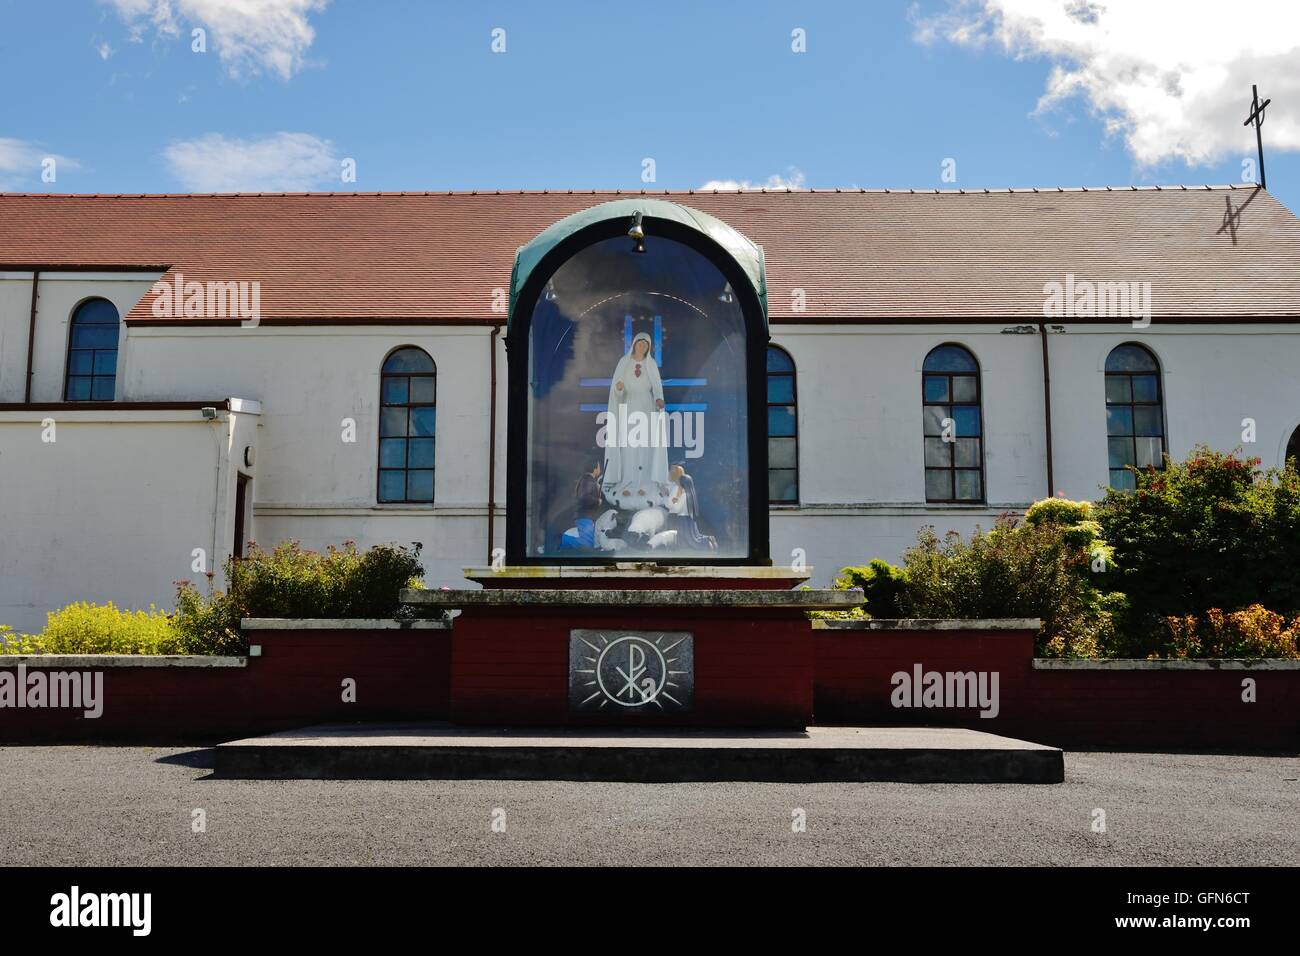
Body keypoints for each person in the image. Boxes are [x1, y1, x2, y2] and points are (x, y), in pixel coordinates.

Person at [602, 331, 669, 506]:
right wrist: (618, 388)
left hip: (646, 406)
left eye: (645, 345)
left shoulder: (651, 364)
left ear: (648, 348)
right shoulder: (624, 362)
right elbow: (617, 391)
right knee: (629, 445)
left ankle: (644, 483)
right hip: (629, 406)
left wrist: (658, 399)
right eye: (640, 344)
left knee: (645, 445)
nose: (642, 347)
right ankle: (628, 481)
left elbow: (657, 386)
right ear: (634, 344)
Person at [664, 462, 717, 550]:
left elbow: (677, 509)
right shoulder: (689, 494)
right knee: (693, 536)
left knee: (691, 539)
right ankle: (708, 539)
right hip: (689, 519)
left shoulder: (683, 495)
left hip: (683, 519)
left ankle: (707, 545)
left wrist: (674, 502)